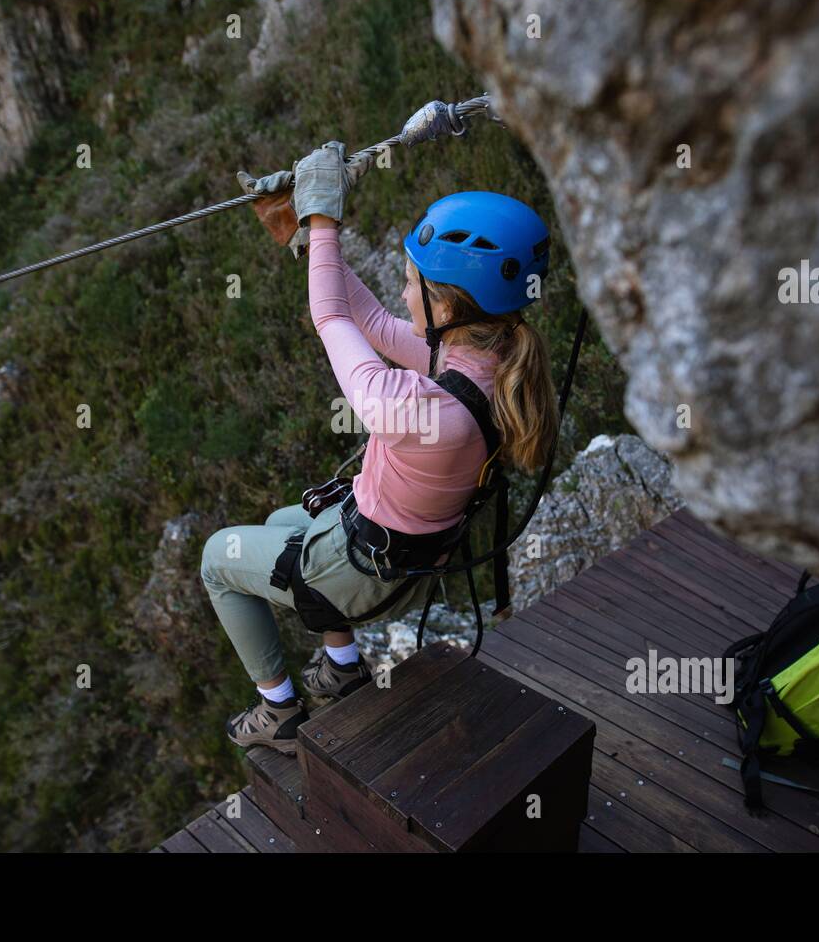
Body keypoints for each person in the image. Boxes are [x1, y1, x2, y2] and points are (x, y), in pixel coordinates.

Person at [200, 141, 559, 754]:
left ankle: (279, 710)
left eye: (412, 282)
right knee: (283, 522)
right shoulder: (488, 366)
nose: (402, 293)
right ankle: (341, 667)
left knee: (217, 558)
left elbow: (333, 321)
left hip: (367, 573)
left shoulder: (427, 410)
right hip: (411, 556)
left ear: (448, 304)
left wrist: (325, 220)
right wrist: (306, 238)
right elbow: (374, 326)